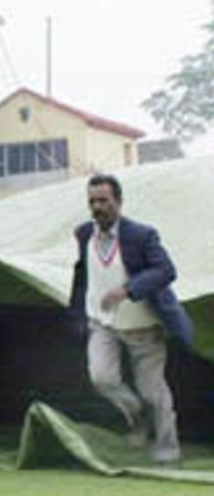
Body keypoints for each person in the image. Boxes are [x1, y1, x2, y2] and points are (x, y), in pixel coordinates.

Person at [69, 174, 194, 466]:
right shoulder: (84, 234)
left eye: (104, 201)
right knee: (101, 378)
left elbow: (165, 270)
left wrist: (127, 290)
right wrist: (78, 312)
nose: (97, 207)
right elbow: (82, 274)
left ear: (119, 202)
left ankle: (168, 448)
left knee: (152, 390)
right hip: (102, 324)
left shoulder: (141, 235)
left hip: (143, 327)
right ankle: (137, 416)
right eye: (92, 201)